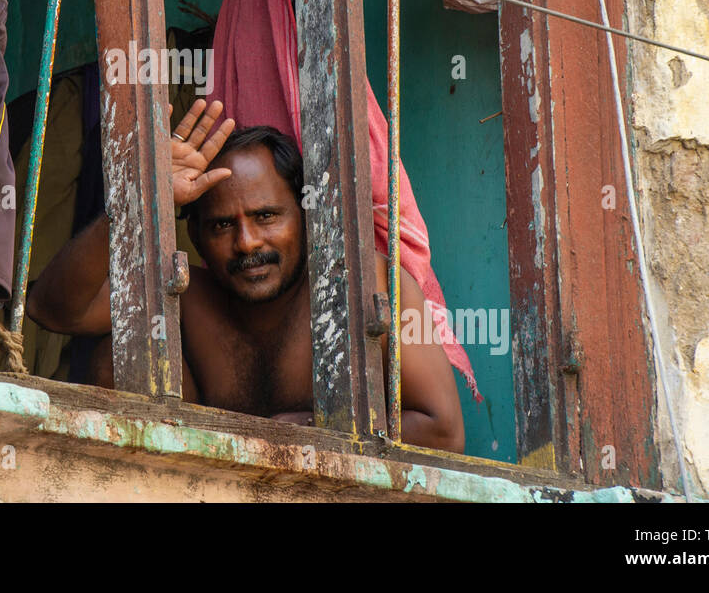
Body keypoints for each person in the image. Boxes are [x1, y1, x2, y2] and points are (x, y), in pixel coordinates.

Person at [26, 98, 465, 451]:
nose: (248, 242)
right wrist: (135, 199)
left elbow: (443, 431)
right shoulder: (182, 296)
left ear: (306, 219)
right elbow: (52, 311)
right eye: (221, 225)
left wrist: (312, 426)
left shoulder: (365, 282)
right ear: (194, 235)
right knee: (123, 352)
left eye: (267, 215)